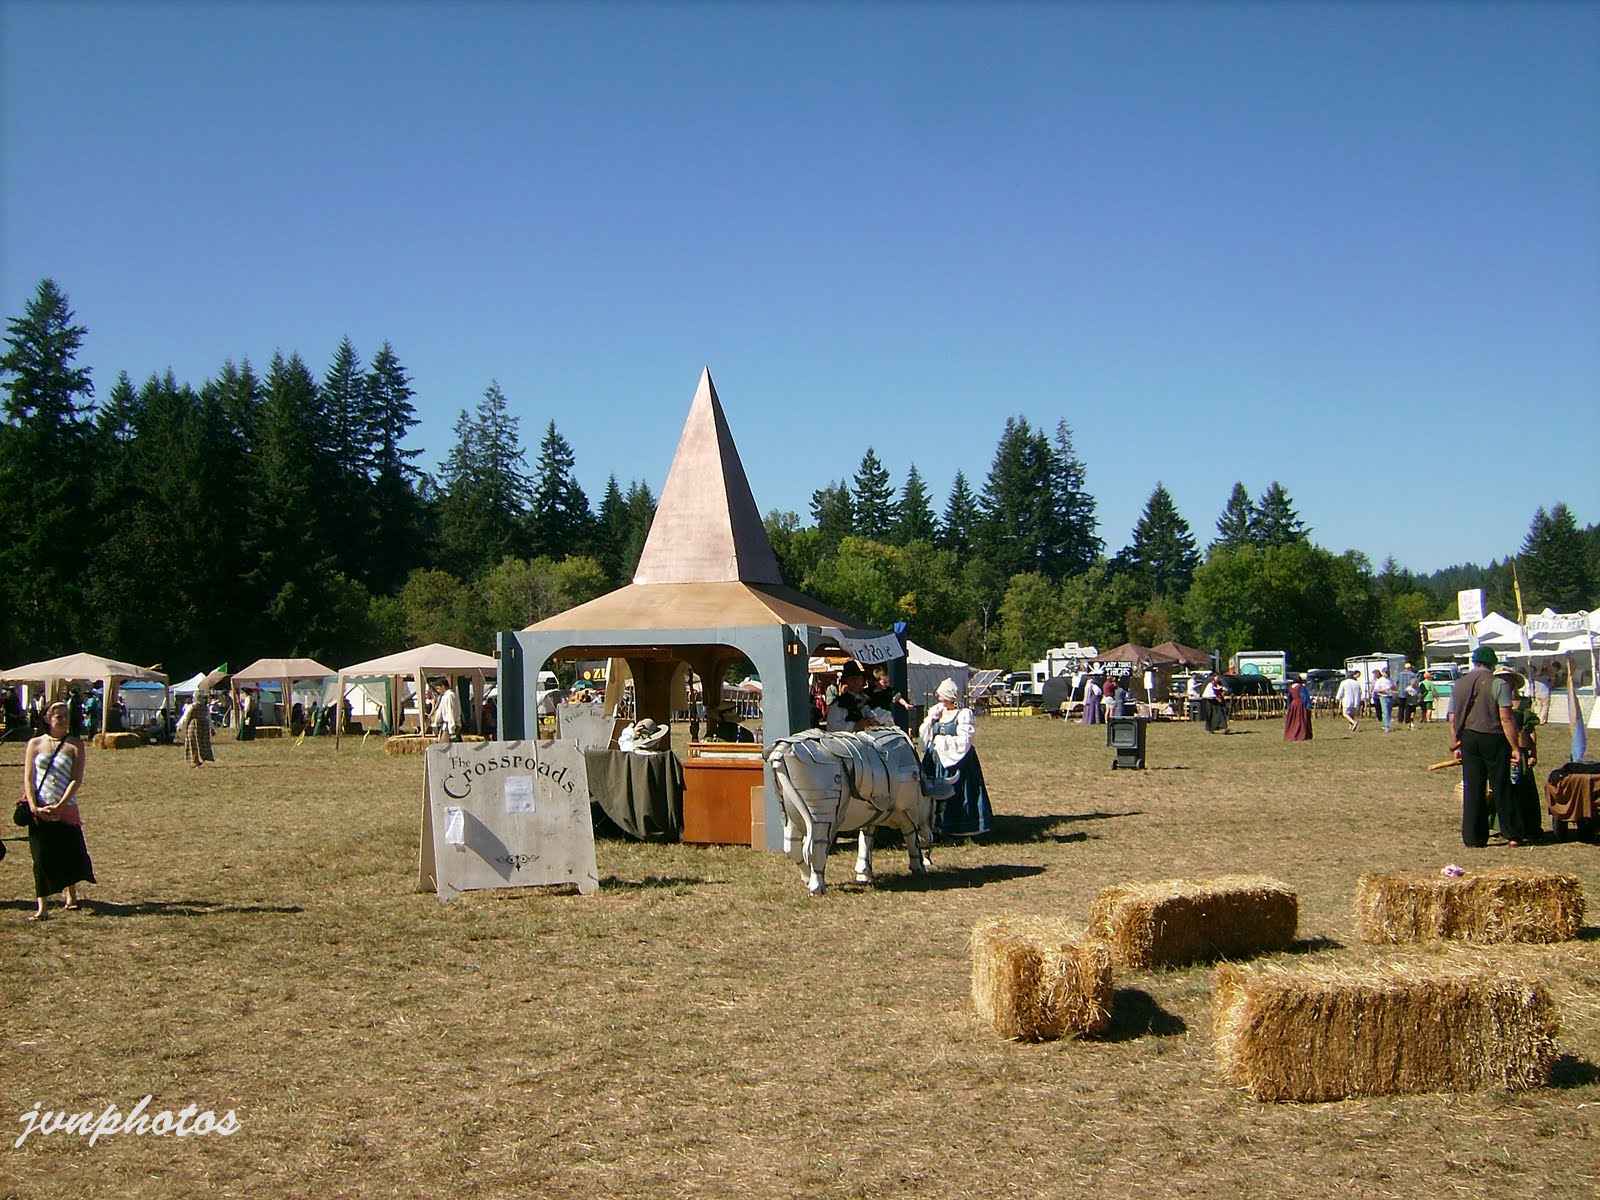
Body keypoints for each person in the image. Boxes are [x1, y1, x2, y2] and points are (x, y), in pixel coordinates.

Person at [1449, 646, 1528, 848]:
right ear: (1493, 664)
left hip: (1468, 738)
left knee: (1473, 786)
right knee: (1501, 785)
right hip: (1493, 737)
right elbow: (1506, 719)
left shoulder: (1458, 684)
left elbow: (1452, 718)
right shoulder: (1498, 684)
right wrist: (1515, 748)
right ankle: (1512, 833)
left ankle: (1473, 837)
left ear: (1475, 662)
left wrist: (1455, 741)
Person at [24, 700, 95, 921]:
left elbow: (76, 778)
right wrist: (34, 805)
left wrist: (61, 805)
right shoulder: (35, 744)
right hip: (40, 807)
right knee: (41, 857)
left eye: (65, 715)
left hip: (66, 807)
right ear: (47, 718)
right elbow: (28, 777)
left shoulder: (75, 744)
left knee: (68, 852)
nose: (62, 719)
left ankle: (71, 895)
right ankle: (42, 907)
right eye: (58, 715)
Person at [920, 677, 992, 838]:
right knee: (933, 791)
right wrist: (931, 722)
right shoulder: (936, 711)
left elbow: (964, 740)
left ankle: (962, 826)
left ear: (949, 697)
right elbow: (925, 733)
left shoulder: (963, 714)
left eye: (942, 696)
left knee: (959, 791)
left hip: (958, 761)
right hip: (936, 759)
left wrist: (943, 742)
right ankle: (934, 826)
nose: (939, 698)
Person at [826, 663, 888, 732]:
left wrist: (873, 721)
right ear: (846, 681)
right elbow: (832, 727)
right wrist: (855, 726)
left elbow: (874, 715)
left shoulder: (866, 699)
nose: (856, 682)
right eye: (851, 679)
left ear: (862, 680)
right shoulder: (839, 704)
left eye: (858, 678)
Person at [866, 665, 914, 731]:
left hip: (886, 716)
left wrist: (905, 704)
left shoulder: (889, 691)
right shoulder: (870, 692)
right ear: (876, 682)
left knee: (889, 726)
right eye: (884, 682)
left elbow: (898, 698)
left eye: (888, 681)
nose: (887, 684)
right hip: (874, 716)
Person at [176, 688, 215, 767]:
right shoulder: (205, 707)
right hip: (204, 727)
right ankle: (200, 759)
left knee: (193, 743)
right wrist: (212, 728)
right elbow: (209, 718)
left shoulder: (192, 706)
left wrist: (179, 726)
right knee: (202, 743)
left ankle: (196, 760)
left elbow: (185, 717)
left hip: (194, 726)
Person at [1283, 674, 1313, 742]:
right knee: (1301, 720)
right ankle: (1300, 735)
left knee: (1293, 720)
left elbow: (1289, 698)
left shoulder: (1291, 687)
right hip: (1300, 704)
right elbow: (1304, 696)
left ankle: (1290, 735)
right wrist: (1308, 705)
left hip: (1293, 705)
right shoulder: (1300, 687)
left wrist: (1289, 707)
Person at [431, 679, 461, 744]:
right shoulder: (444, 697)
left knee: (445, 746)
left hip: (451, 725)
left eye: (438, 688)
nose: (438, 691)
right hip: (447, 725)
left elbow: (450, 712)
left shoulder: (450, 696)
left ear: (443, 686)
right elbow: (440, 711)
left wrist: (451, 730)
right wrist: (435, 722)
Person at [1396, 662, 1421, 729]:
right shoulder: (1412, 674)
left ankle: (1400, 719)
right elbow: (1416, 682)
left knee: (1401, 707)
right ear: (1410, 668)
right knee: (1408, 707)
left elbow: (1397, 682)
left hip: (1401, 692)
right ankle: (1407, 720)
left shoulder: (1399, 674)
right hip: (1410, 693)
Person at [1372, 668, 1397, 732]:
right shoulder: (1380, 680)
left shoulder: (1390, 680)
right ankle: (1386, 726)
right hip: (1383, 697)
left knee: (1389, 712)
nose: (1387, 673)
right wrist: (1384, 690)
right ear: (1382, 673)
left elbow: (1394, 687)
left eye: (1387, 672)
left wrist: (1393, 688)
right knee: (1385, 711)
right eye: (1385, 672)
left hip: (1390, 696)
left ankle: (1386, 724)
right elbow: (1376, 690)